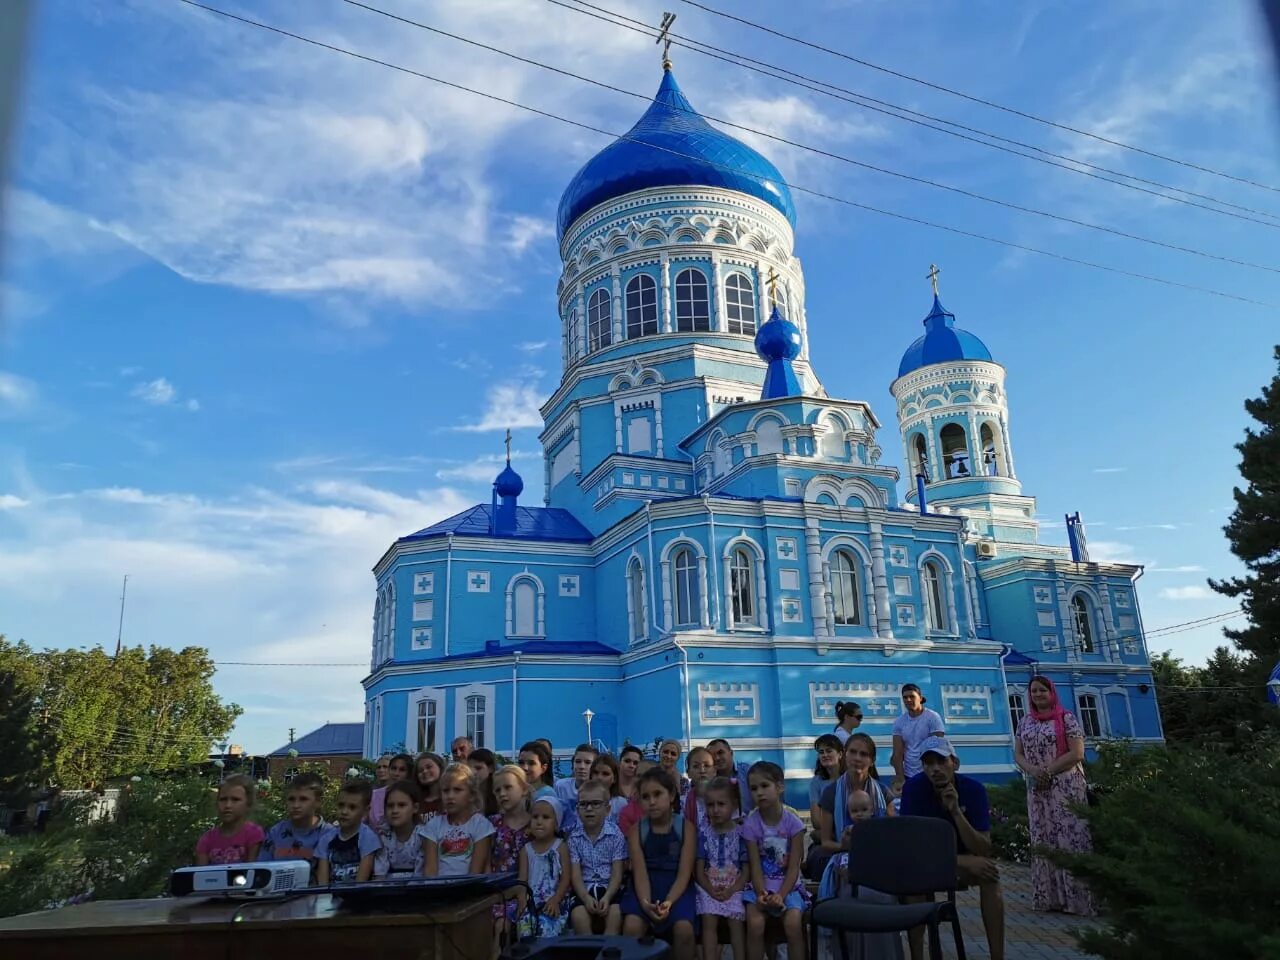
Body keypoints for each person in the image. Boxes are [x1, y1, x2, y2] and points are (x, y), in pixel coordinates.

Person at [899, 737, 1004, 960]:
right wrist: (960, 860)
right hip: (926, 863)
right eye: (928, 763)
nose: (935, 768)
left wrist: (956, 811)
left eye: (941, 761)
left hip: (958, 863)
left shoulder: (973, 790)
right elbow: (910, 846)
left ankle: (997, 955)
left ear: (954, 763)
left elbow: (984, 847)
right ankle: (917, 955)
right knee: (914, 884)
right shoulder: (914, 789)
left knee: (990, 876)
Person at [1014, 675, 1096, 916]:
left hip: (1066, 786)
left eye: (1042, 690)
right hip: (1038, 787)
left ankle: (1077, 899)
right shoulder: (1025, 722)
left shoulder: (1066, 718)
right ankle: (1050, 898)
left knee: (1070, 838)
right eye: (1034, 691)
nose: (1038, 695)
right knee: (1044, 837)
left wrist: (1048, 771)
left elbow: (1077, 752)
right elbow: (1018, 753)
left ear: (1052, 693)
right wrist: (1034, 771)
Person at [621, 768, 697, 960]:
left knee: (684, 929)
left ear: (671, 795)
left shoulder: (686, 828)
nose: (652, 802)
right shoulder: (636, 830)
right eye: (646, 797)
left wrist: (669, 902)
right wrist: (646, 904)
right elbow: (639, 872)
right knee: (632, 926)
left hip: (677, 888)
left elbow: (684, 873)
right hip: (645, 886)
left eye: (657, 794)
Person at [741, 762, 807, 960]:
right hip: (760, 887)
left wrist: (781, 894)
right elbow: (755, 866)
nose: (759, 792)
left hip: (789, 887)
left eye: (764, 786)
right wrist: (762, 893)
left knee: (793, 923)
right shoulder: (751, 824)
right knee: (755, 923)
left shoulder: (793, 823)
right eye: (754, 788)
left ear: (780, 787)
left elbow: (794, 866)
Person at [811, 733, 894, 878]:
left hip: (878, 854)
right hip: (844, 855)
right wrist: (846, 847)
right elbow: (826, 843)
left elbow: (893, 832)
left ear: (872, 760)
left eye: (864, 754)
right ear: (845, 755)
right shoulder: (831, 793)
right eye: (853, 752)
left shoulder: (883, 792)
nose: (857, 758)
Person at [695, 777, 748, 960]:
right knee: (709, 919)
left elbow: (746, 869)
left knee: (735, 922)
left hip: (735, 886)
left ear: (733, 805)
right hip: (709, 887)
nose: (715, 810)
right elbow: (699, 870)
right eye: (710, 805)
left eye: (721, 804)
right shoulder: (703, 834)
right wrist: (710, 889)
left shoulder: (741, 833)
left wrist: (733, 889)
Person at [568, 780, 627, 934]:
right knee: (578, 916)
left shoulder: (616, 835)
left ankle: (608, 951)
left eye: (595, 803)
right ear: (577, 809)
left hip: (610, 889)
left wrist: (607, 897)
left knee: (615, 914)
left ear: (607, 809)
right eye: (583, 804)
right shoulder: (574, 838)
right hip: (584, 889)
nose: (589, 809)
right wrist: (586, 898)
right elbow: (575, 875)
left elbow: (617, 873)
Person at [421, 762, 495, 876]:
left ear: (471, 795)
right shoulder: (433, 825)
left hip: (469, 890)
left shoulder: (481, 825)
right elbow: (430, 870)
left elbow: (476, 872)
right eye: (446, 791)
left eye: (457, 790)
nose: (450, 796)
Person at [259, 773, 336, 875]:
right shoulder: (275, 832)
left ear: (318, 802)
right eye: (291, 799)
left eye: (303, 799)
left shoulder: (330, 834)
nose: (296, 805)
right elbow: (262, 868)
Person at [490, 765, 534, 944]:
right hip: (498, 893)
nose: (502, 793)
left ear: (523, 789)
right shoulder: (491, 824)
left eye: (508, 787)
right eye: (497, 790)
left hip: (530, 892)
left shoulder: (537, 823)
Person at [518, 796, 573, 938]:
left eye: (545, 817)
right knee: (525, 929)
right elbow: (522, 881)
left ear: (556, 823)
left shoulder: (560, 847)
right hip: (531, 902)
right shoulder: (526, 850)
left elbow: (566, 879)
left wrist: (556, 899)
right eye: (535, 817)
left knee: (547, 928)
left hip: (554, 900)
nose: (539, 822)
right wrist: (522, 901)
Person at [315, 780, 382, 884]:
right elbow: (322, 880)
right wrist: (324, 898)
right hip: (331, 895)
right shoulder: (326, 838)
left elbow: (361, 881)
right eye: (341, 805)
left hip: (357, 895)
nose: (344, 812)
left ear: (365, 811)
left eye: (352, 807)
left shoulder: (368, 838)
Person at [195, 774, 264, 865]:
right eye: (223, 799)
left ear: (248, 803)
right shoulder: (207, 839)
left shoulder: (254, 834)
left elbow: (252, 871)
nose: (228, 805)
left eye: (235, 800)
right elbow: (201, 874)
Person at [890, 684, 946, 794]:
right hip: (909, 775)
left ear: (920, 698)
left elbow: (935, 749)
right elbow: (897, 753)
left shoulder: (933, 717)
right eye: (905, 697)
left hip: (929, 774)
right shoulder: (899, 722)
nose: (908, 700)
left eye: (912, 696)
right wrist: (900, 778)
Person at [374, 779, 424, 878]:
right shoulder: (383, 836)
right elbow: (380, 874)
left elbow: (421, 873)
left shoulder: (423, 836)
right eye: (390, 806)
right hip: (389, 889)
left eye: (401, 805)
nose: (395, 810)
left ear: (415, 808)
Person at [556, 743, 599, 833]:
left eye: (587, 763)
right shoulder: (561, 786)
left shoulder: (599, 790)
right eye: (578, 761)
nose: (582, 767)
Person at [707, 739, 755, 813]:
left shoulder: (749, 772)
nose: (717, 758)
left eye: (720, 752)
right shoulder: (709, 779)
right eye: (712, 755)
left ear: (731, 753)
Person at [369, 752, 414, 830]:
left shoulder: (415, 795)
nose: (396, 773)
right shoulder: (373, 795)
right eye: (393, 768)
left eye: (402, 770)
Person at [808, 734, 844, 826]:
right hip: (826, 829)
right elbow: (816, 820)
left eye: (829, 751)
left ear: (840, 754)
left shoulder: (849, 777)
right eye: (821, 752)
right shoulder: (816, 781)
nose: (825, 755)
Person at [590, 754, 630, 822]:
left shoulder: (621, 804)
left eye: (605, 774)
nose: (599, 777)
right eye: (596, 772)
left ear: (614, 779)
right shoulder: (584, 800)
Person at [683, 745, 715, 827]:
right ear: (688, 773)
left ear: (714, 771)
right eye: (696, 766)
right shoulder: (682, 802)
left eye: (707, 766)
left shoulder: (726, 798)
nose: (702, 770)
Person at [415, 752, 446, 822]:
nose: (425, 771)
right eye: (420, 770)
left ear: (440, 767)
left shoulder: (450, 798)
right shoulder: (416, 802)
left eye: (429, 767)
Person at [468, 748, 499, 816]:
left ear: (491, 768)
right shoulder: (467, 795)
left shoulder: (499, 793)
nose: (473, 772)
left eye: (478, 768)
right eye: (469, 769)